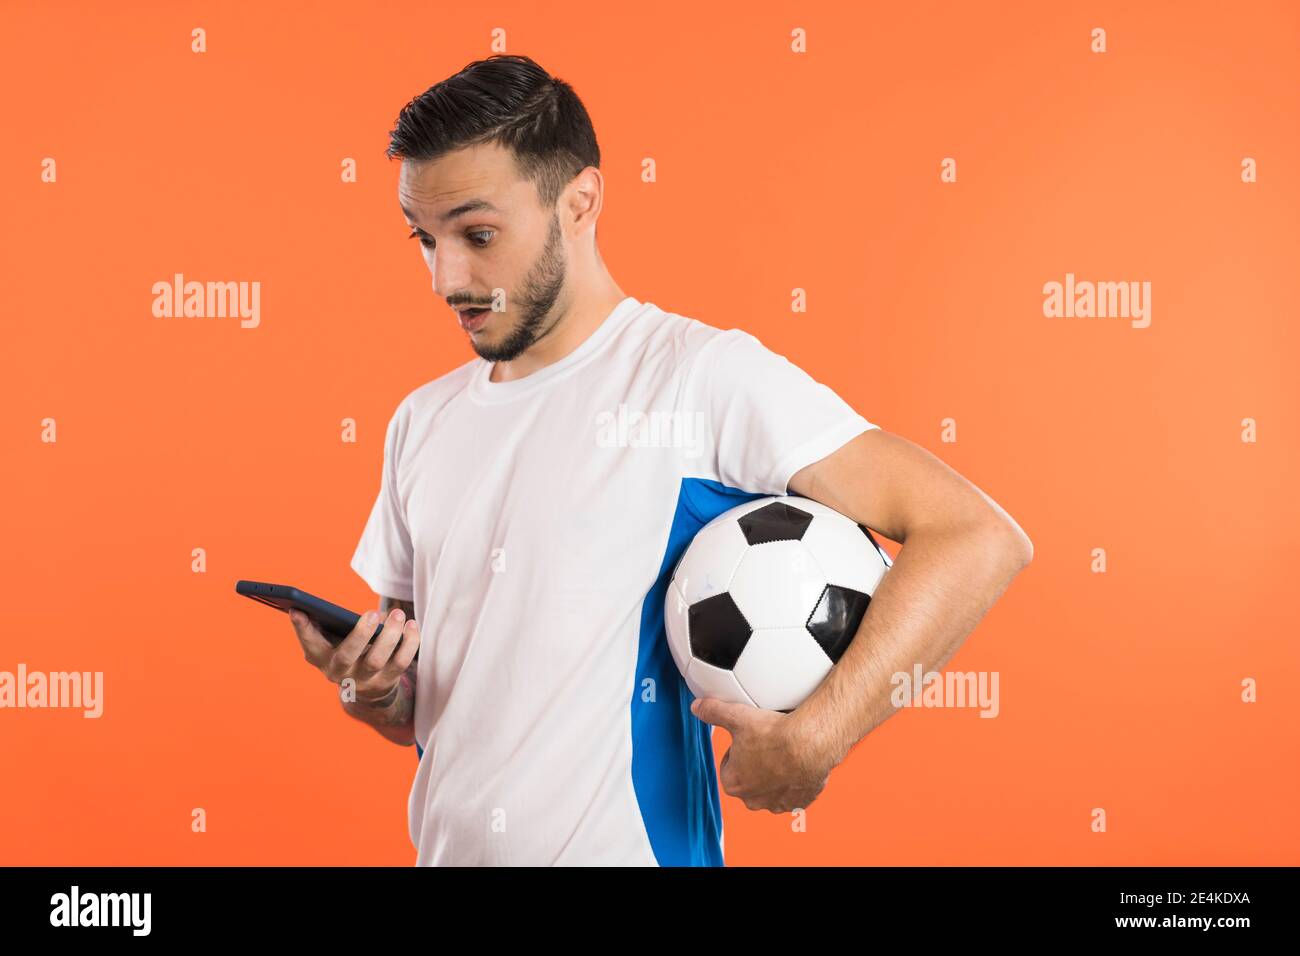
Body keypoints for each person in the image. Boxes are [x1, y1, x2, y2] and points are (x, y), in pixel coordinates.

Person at [290, 54, 1033, 866]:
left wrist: (820, 735)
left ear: (580, 201)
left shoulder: (696, 375)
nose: (446, 278)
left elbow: (974, 535)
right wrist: (369, 687)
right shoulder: (421, 422)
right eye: (424, 240)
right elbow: (423, 711)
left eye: (477, 235)